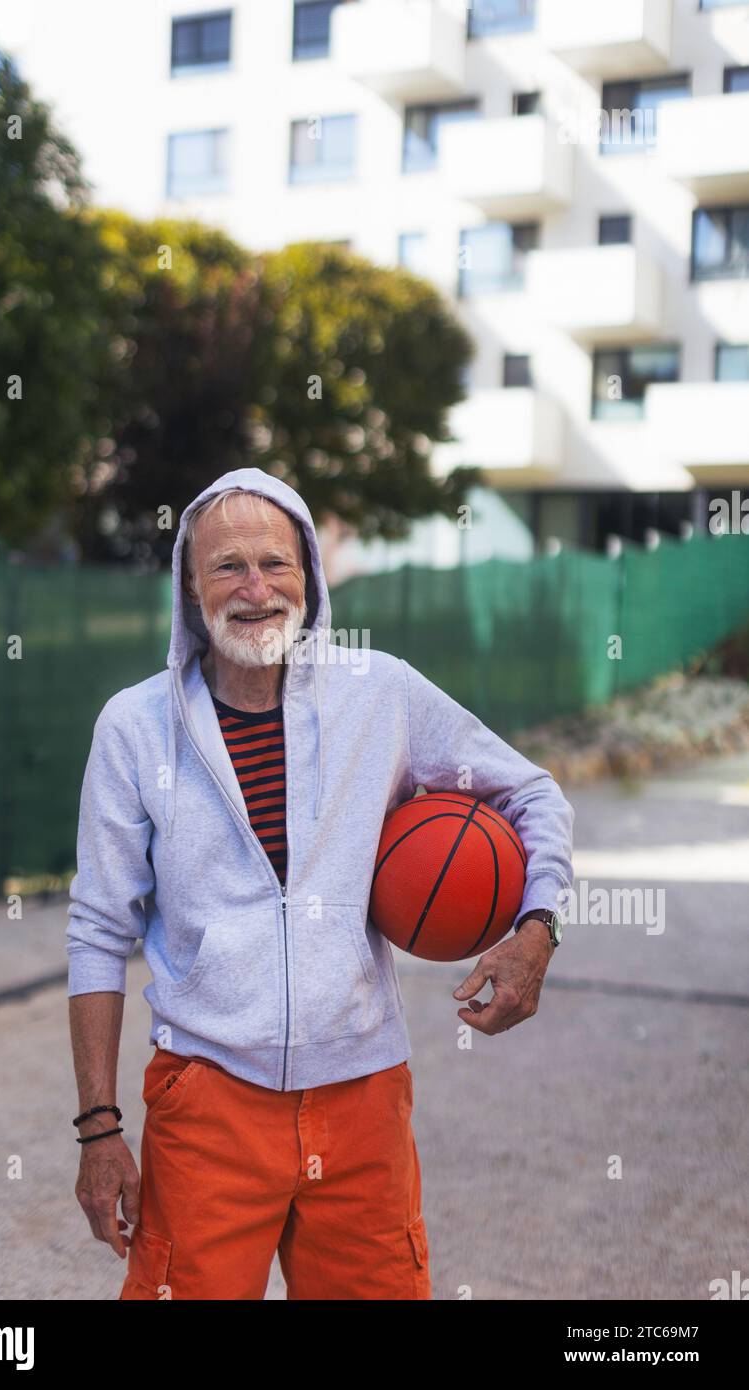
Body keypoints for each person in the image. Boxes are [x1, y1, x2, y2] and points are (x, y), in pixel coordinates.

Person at [66, 467, 574, 1300]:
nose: (256, 588)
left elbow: (530, 792)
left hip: (363, 1096)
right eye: (227, 566)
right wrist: (98, 1131)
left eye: (276, 563)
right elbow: (96, 932)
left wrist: (538, 925)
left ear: (310, 574)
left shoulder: (381, 694)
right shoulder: (133, 727)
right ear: (190, 591)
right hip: (208, 1099)